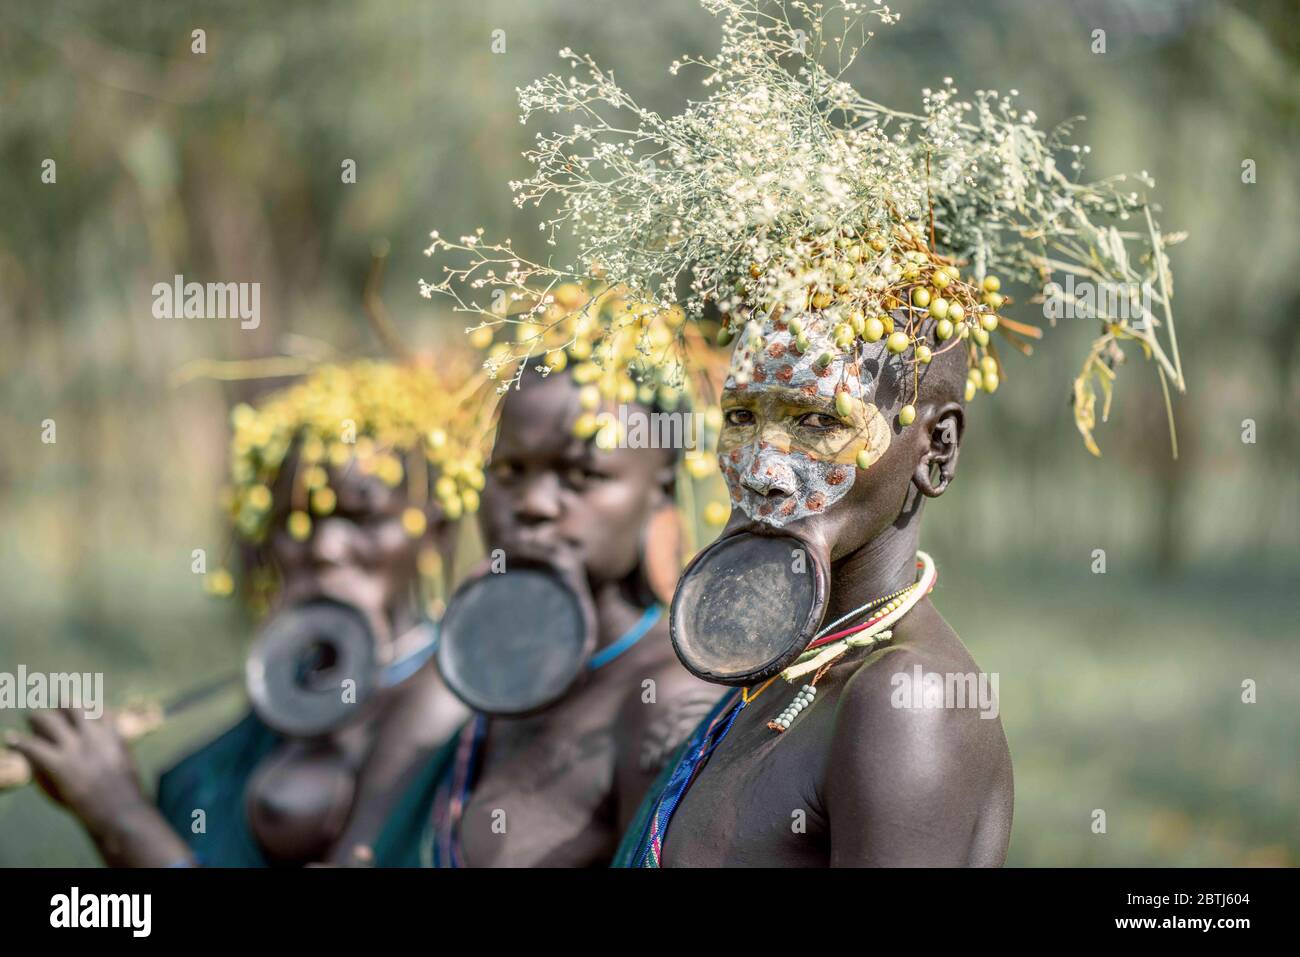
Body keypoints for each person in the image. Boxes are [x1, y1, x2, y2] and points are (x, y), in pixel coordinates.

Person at [420, 0, 1183, 867]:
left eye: (819, 422)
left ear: (936, 451)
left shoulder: (906, 700)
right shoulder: (778, 680)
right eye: (743, 417)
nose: (768, 470)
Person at [6, 361, 483, 866]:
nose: (324, 548)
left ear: (438, 532)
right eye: (295, 522)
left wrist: (123, 818)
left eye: (361, 518)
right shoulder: (211, 769)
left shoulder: (472, 728)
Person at [371, 288, 729, 867]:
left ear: (658, 489)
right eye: (509, 470)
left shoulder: (668, 698)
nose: (534, 504)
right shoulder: (466, 679)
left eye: (580, 474)